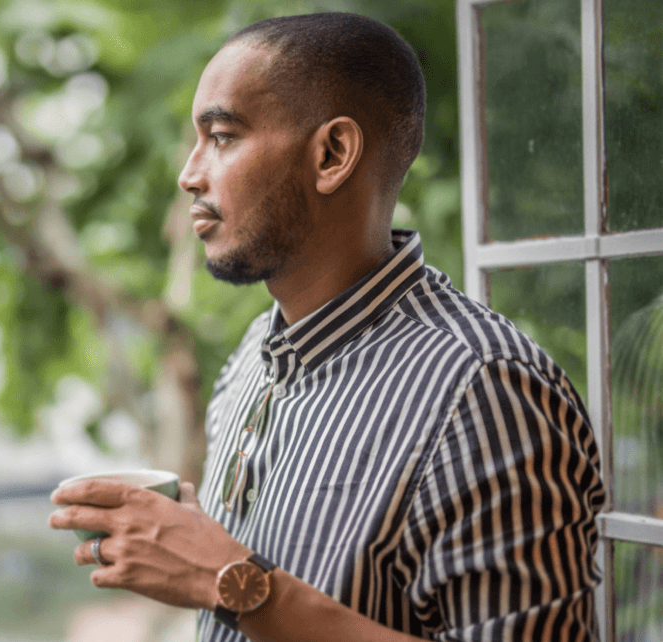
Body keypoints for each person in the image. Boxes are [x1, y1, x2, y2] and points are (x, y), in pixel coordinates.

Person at [49, 12, 605, 642]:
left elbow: (233, 584)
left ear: (332, 154)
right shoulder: (254, 358)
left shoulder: (483, 389)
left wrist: (230, 579)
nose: (190, 174)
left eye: (223, 136)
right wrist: (189, 557)